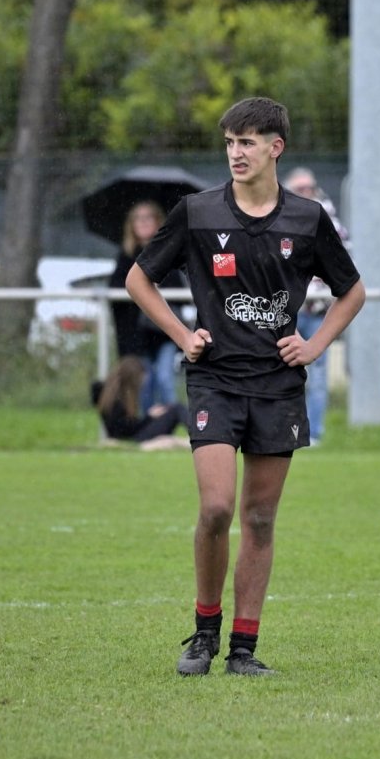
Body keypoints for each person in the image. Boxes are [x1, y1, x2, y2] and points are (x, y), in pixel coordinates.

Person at [126, 96, 365, 676]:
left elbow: (352, 291)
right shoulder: (197, 212)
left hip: (278, 386)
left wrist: (314, 346)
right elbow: (139, 279)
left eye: (249, 141)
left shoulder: (307, 220)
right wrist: (184, 335)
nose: (237, 152)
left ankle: (243, 649)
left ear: (275, 148)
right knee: (215, 508)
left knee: (259, 518)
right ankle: (204, 633)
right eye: (231, 142)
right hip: (214, 380)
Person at [280, 167, 350, 447]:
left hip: (319, 312)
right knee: (282, 375)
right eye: (300, 189)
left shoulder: (329, 222)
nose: (307, 193)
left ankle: (314, 433)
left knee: (318, 376)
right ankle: (283, 431)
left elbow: (346, 272)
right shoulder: (278, 219)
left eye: (310, 187)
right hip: (286, 313)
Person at [108, 201, 188, 413]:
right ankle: (149, 426)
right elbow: (118, 291)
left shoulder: (168, 253)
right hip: (137, 336)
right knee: (145, 380)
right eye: (138, 219)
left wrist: (155, 286)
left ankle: (173, 420)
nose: (143, 223)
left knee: (164, 377)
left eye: (148, 218)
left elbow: (180, 291)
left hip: (164, 332)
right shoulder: (126, 257)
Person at [95, 356, 191, 451]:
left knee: (173, 409)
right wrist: (149, 417)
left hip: (134, 436)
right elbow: (127, 430)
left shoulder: (107, 395)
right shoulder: (117, 401)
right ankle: (198, 433)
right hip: (137, 438)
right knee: (176, 409)